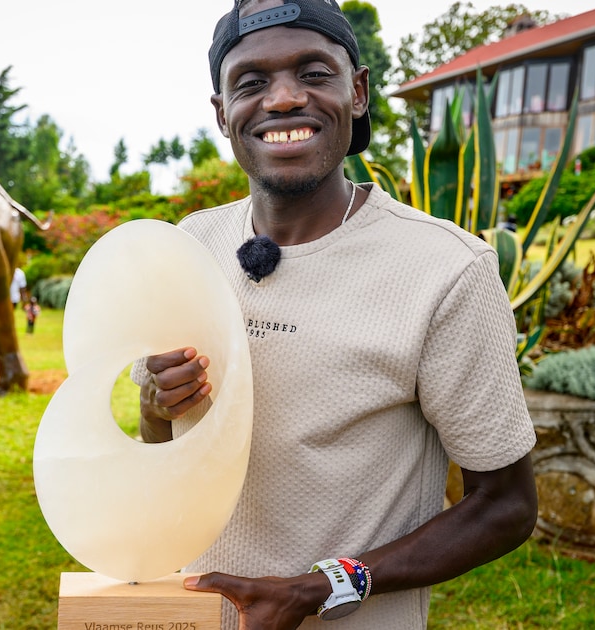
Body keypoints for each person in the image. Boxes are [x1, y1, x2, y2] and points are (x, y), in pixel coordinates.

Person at [135, 1, 538, 628]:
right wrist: (157, 407)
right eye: (251, 82)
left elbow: (505, 506)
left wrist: (317, 590)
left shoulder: (445, 268)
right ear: (221, 114)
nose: (284, 98)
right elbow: (158, 442)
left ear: (357, 91)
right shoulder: (190, 245)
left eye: (314, 72)